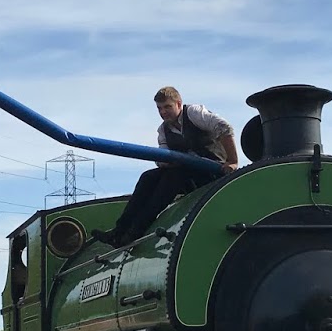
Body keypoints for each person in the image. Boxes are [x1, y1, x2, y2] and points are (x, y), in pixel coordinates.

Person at [94, 87, 239, 246]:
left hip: (212, 172)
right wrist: (167, 161)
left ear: (178, 104)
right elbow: (161, 156)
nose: (163, 112)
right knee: (148, 177)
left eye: (167, 107)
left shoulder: (194, 113)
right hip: (188, 173)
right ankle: (119, 230)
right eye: (159, 108)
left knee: (172, 177)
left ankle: (137, 230)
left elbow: (224, 127)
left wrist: (232, 161)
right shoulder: (163, 130)